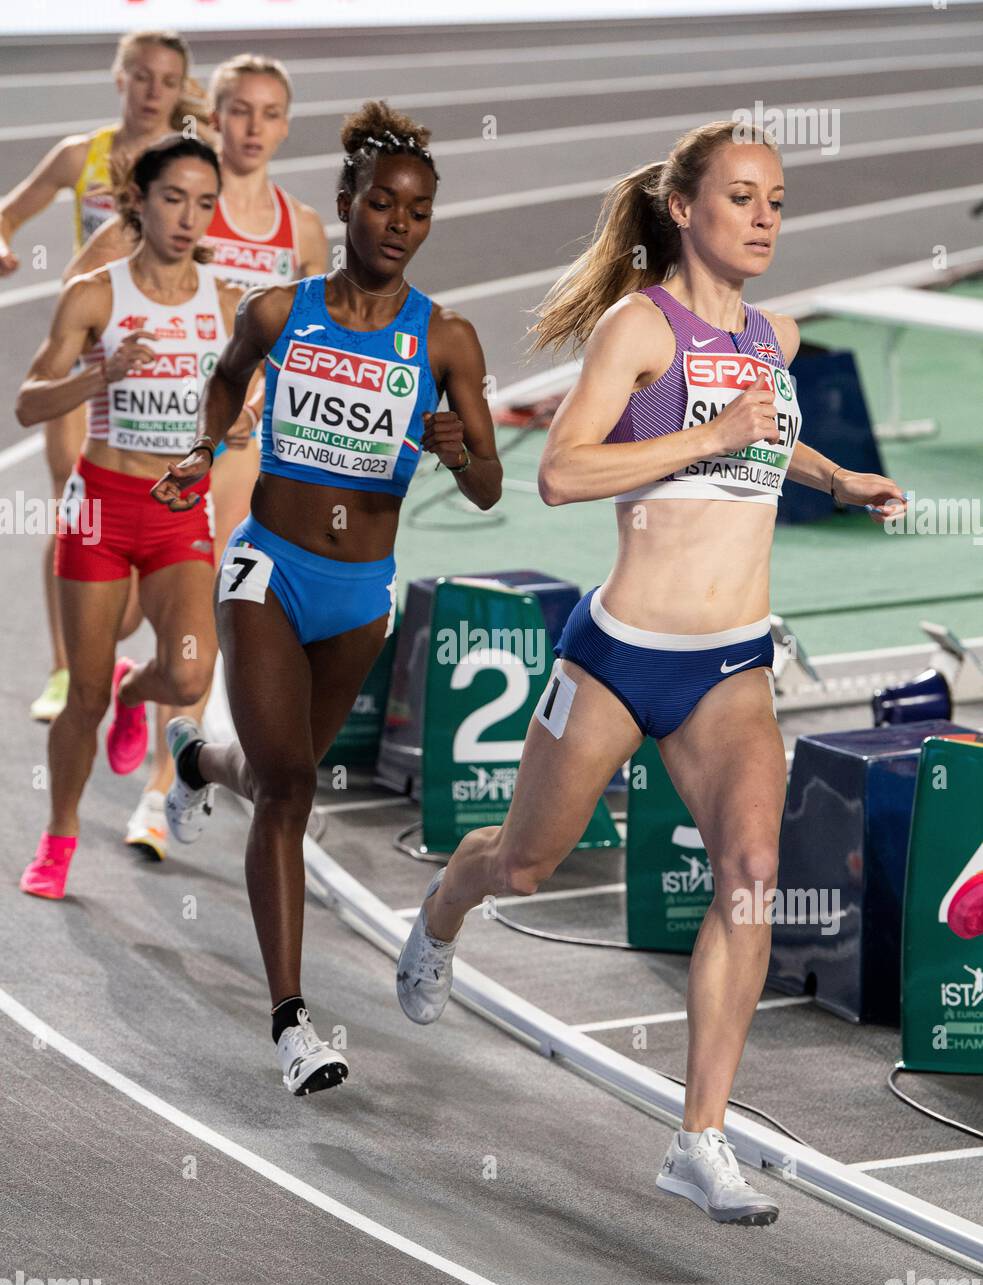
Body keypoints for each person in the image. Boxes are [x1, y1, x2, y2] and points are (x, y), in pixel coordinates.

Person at [394, 120, 908, 1225]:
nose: (764, 219)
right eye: (740, 198)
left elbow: (762, 444)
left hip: (730, 660)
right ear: (683, 209)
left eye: (776, 201)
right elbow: (564, 473)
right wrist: (705, 432)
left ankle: (700, 1136)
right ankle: (441, 909)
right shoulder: (638, 327)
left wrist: (836, 474)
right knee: (524, 862)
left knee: (752, 867)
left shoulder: (775, 331)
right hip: (622, 651)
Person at [150, 100, 502, 1097]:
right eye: (382, 203)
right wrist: (205, 446)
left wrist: (458, 449)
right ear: (345, 203)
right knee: (294, 790)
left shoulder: (447, 341)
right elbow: (224, 386)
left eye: (418, 211)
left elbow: (488, 487)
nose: (398, 223)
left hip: (359, 596)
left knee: (274, 774)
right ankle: (292, 1022)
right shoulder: (278, 312)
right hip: (269, 567)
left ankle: (193, 760)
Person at [66, 53, 329, 859]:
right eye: (237, 111)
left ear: (285, 125)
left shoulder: (301, 230)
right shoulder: (179, 201)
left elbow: (317, 343)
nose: (252, 127)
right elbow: (87, 300)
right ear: (212, 118)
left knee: (206, 615)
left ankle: (156, 785)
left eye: (269, 113)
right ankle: (132, 706)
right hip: (147, 447)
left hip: (243, 451)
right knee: (148, 615)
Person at [17, 135, 243, 901]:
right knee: (79, 694)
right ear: (136, 203)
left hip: (177, 513)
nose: (188, 217)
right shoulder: (94, 293)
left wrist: (232, 432)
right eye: (173, 198)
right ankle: (60, 837)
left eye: (204, 202)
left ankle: (133, 692)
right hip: (101, 510)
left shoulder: (228, 305)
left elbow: (250, 410)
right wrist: (100, 377)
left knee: (187, 670)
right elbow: (25, 402)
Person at [0, 30, 205, 723]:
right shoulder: (78, 156)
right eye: (141, 76)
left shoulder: (187, 169)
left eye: (167, 80)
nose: (153, 91)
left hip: (165, 361)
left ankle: (135, 664)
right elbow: (7, 214)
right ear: (120, 80)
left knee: (165, 510)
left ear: (181, 88)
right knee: (72, 507)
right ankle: (65, 670)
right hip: (91, 346)